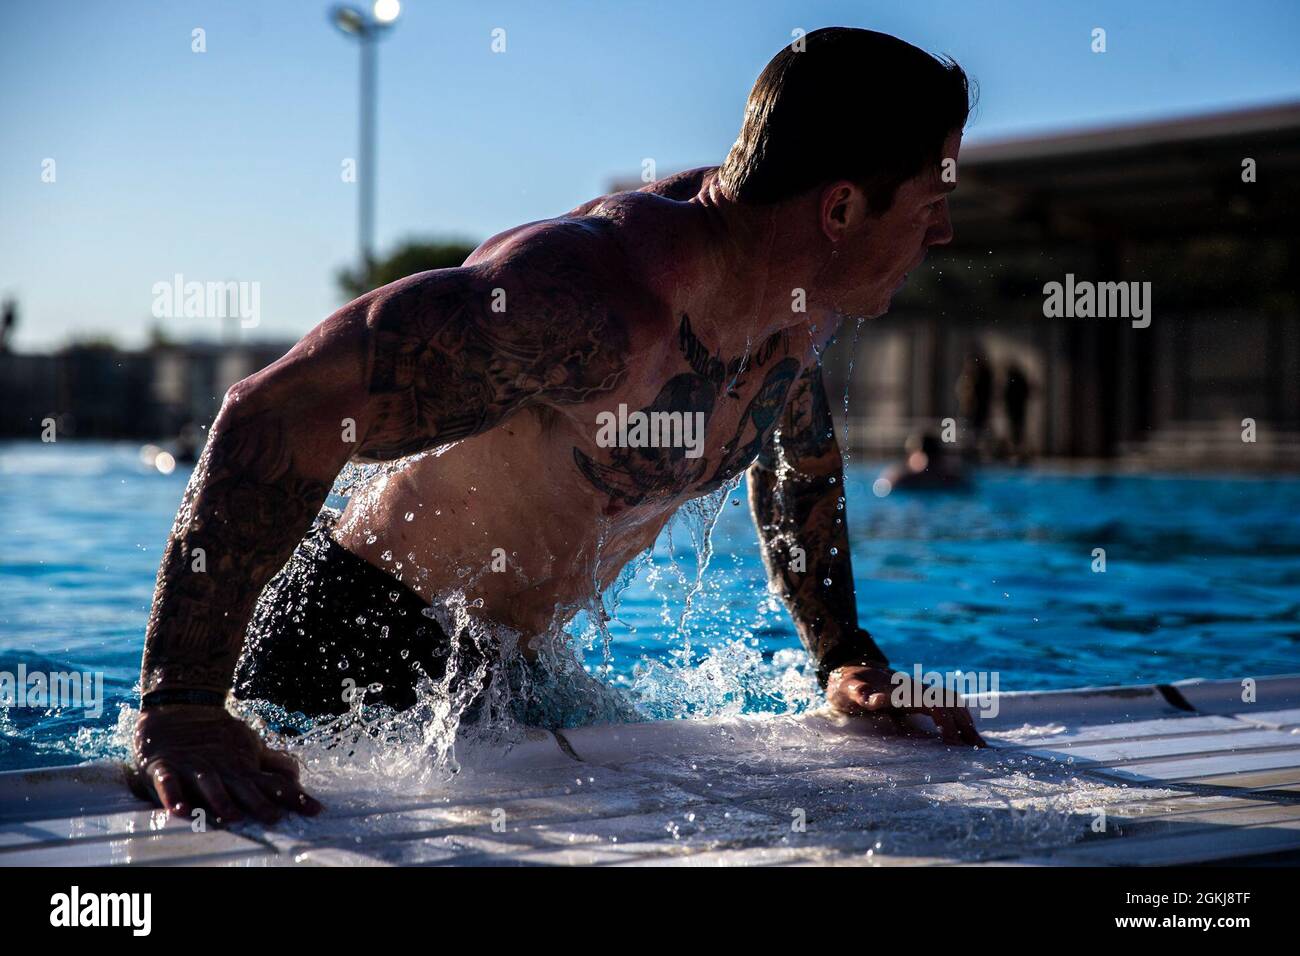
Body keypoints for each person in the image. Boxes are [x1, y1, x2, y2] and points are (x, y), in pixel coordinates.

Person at [131, 27, 984, 825]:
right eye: (929, 203)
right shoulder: (591, 302)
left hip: (506, 667)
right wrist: (184, 708)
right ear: (840, 211)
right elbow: (273, 415)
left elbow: (804, 466)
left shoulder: (801, 314)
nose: (943, 231)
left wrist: (845, 657)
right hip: (343, 651)